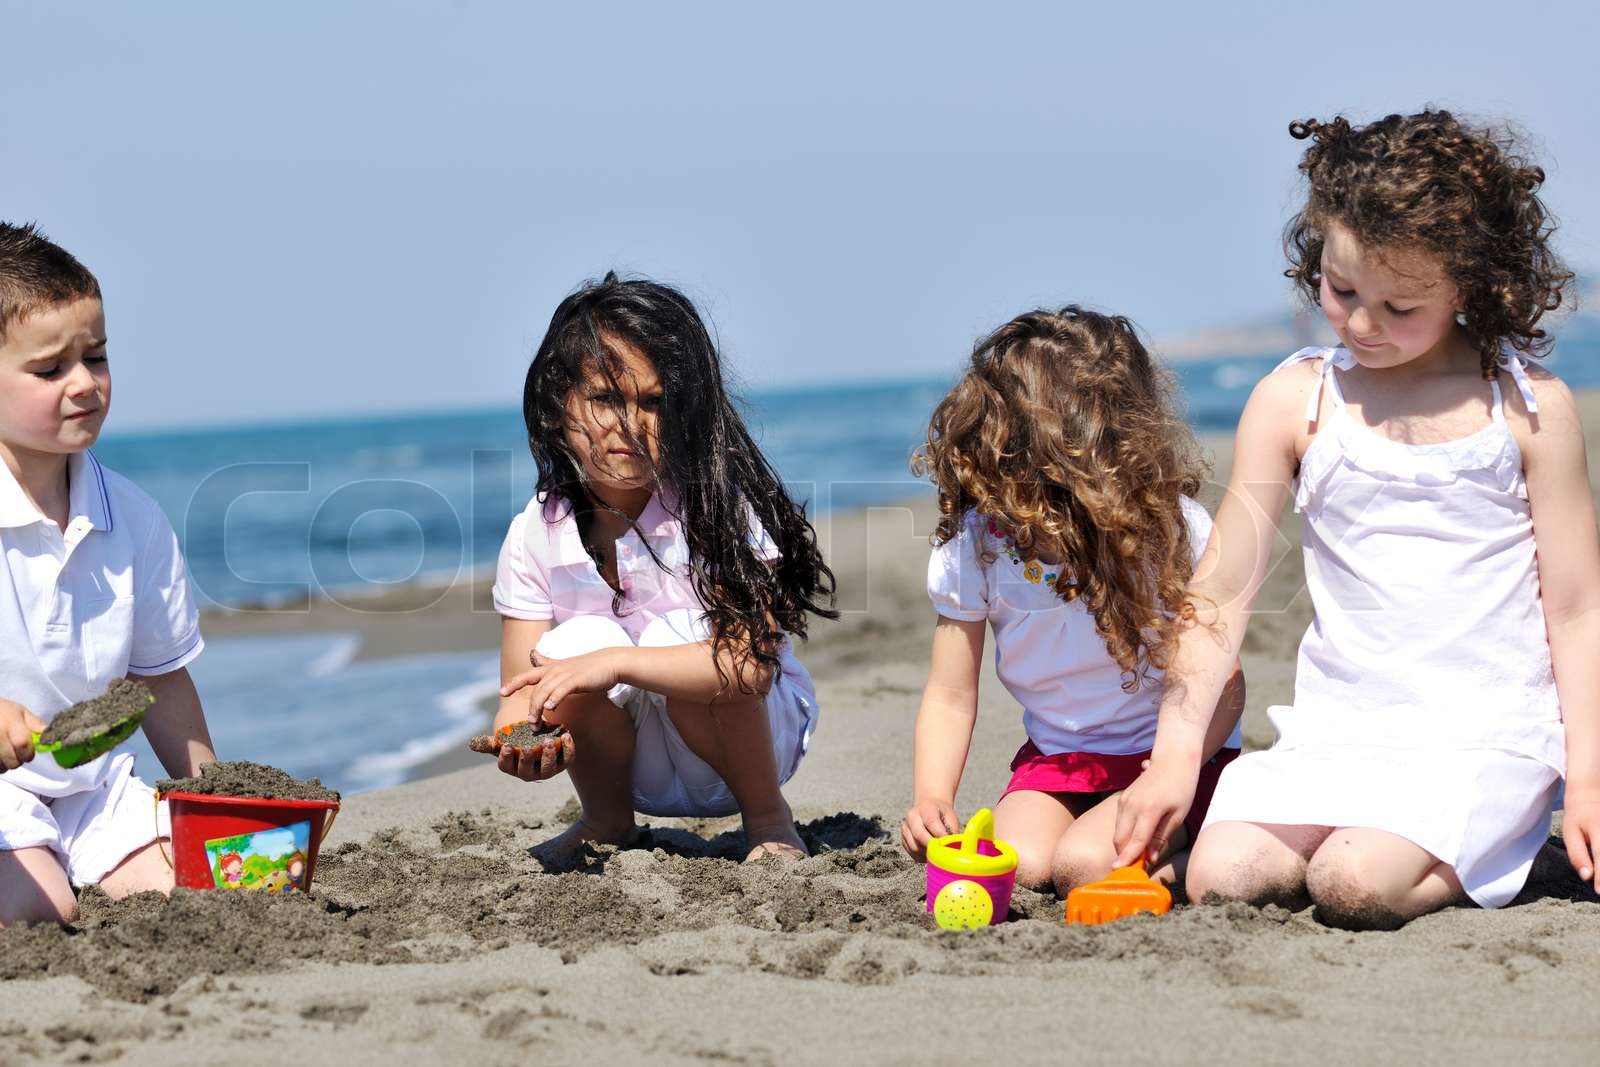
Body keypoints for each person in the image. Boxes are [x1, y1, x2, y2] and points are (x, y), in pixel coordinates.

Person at [1114, 110, 1598, 928]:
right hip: (1341, 733)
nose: (1363, 323)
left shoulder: (1526, 408)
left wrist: (1586, 773)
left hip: (1483, 737)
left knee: (1353, 881)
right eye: (1341, 292)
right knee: (1220, 875)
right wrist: (1172, 760)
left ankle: (1514, 845)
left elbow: (1578, 607)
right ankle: (1456, 847)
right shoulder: (1294, 400)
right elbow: (1220, 594)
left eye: (1399, 305)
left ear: (1470, 286)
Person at [490, 273, 836, 861]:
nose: (630, 424)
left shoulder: (714, 508)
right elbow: (516, 694)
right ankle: (608, 820)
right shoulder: (533, 532)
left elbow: (749, 669)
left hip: (753, 744)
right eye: (604, 398)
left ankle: (769, 822)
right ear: (556, 408)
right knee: (567, 651)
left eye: (653, 402)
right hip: (635, 766)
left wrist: (615, 662)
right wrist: (517, 743)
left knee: (677, 634)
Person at [899, 306, 1244, 893]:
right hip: (1060, 759)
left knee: (1083, 864)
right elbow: (951, 692)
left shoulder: (1171, 530)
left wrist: (1167, 771)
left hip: (1176, 756)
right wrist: (932, 796)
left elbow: (1226, 687)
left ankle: (1194, 861)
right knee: (1023, 865)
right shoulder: (980, 544)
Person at [0, 223, 216, 925]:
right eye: (50, 369)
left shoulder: (134, 515)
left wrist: (210, 792)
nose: (84, 384)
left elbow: (158, 675)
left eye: (95, 356)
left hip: (94, 787)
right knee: (43, 905)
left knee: (200, 885)